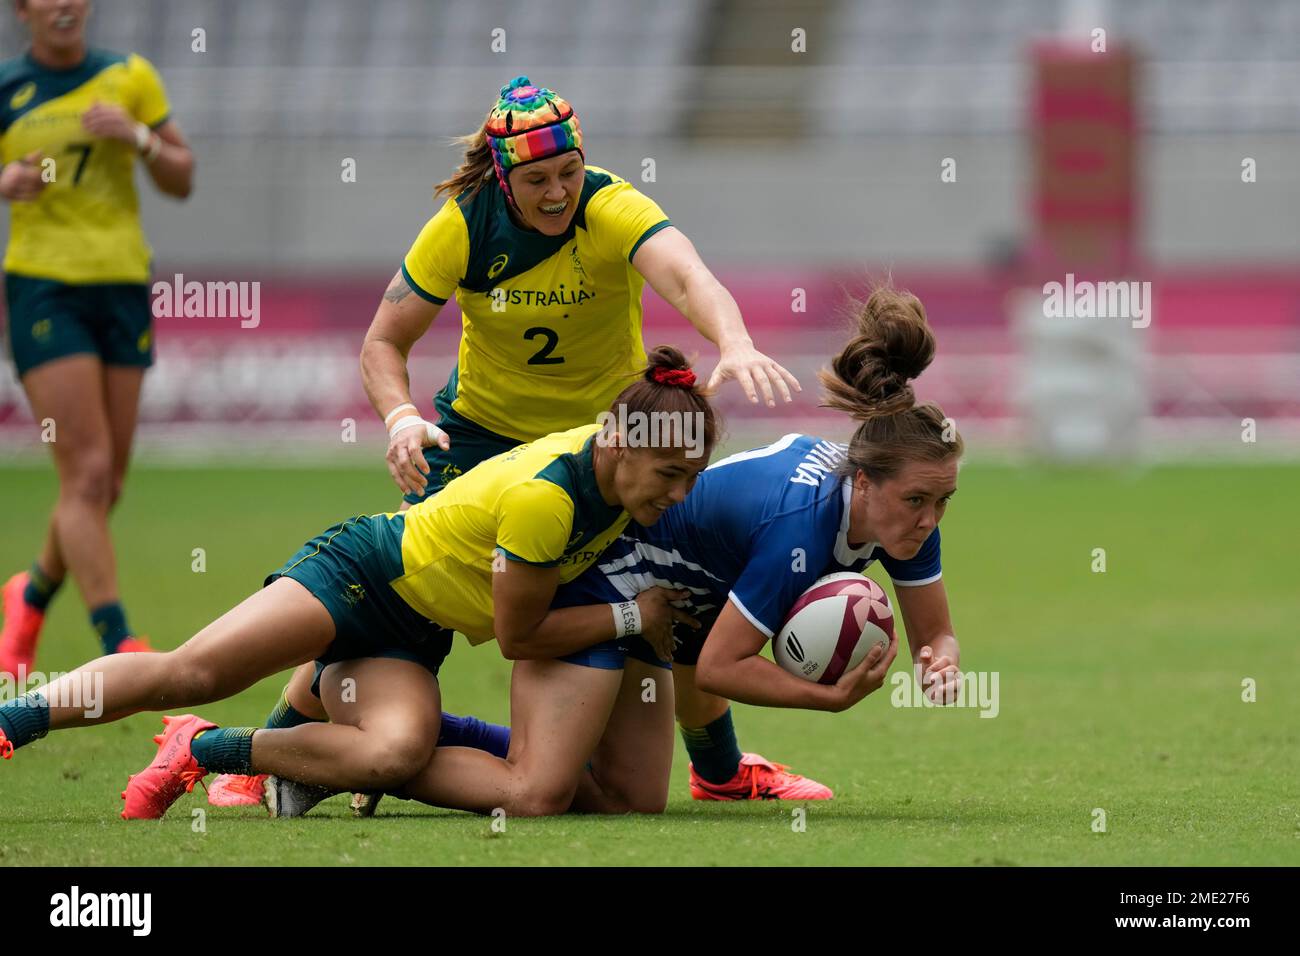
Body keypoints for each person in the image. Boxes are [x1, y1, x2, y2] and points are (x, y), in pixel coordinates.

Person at [207, 74, 816, 809]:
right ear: (503, 176)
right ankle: (263, 759)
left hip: (603, 458)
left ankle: (719, 773)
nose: (558, 192)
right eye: (537, 179)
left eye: (569, 172)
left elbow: (686, 276)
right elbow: (383, 343)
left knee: (676, 597)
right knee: (399, 611)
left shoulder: (610, 205)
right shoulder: (463, 225)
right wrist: (402, 420)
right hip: (479, 444)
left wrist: (735, 340)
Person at [271, 285, 965, 818]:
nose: (929, 519)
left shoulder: (899, 507)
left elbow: (934, 634)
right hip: (608, 574)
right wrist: (826, 699)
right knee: (542, 788)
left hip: (681, 592)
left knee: (630, 798)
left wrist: (940, 660)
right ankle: (357, 753)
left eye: (942, 502)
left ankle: (717, 775)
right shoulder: (799, 527)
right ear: (864, 482)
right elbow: (720, 666)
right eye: (918, 501)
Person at [0, 349, 715, 825]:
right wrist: (633, 618)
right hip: (359, 574)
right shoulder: (548, 499)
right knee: (193, 672)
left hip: (411, 636)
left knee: (394, 754)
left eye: (691, 477)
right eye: (669, 475)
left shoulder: (616, 467)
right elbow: (519, 637)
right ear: (619, 442)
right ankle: (12, 722)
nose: (679, 494)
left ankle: (204, 747)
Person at [0, 0, 195, 675]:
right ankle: (123, 647)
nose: (65, 4)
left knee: (104, 483)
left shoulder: (129, 76)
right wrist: (5, 181)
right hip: (45, 289)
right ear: (23, 10)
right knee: (83, 473)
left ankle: (29, 596)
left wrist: (140, 138)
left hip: (122, 287)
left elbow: (182, 177)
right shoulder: (7, 88)